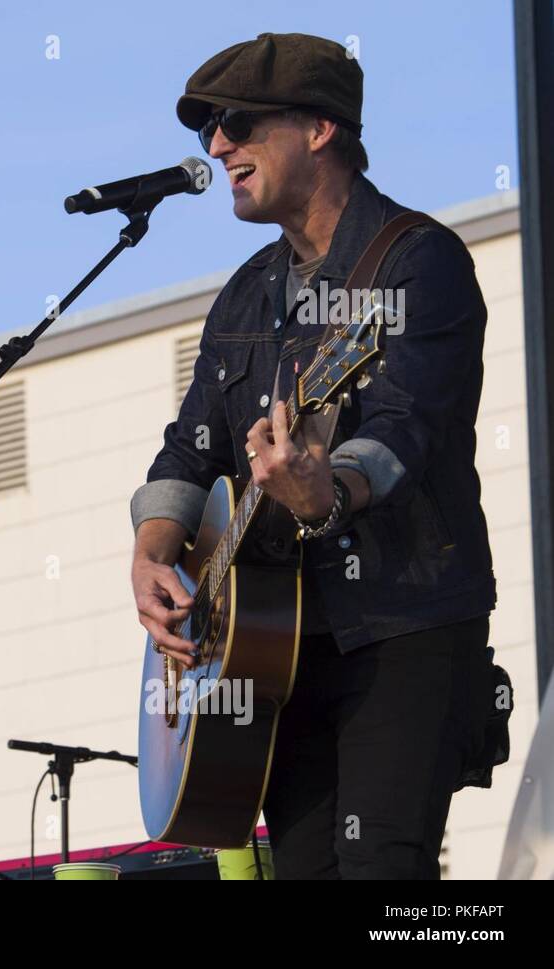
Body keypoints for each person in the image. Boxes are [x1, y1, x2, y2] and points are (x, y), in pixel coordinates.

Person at [129, 33, 498, 878]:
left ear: (321, 128)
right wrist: (153, 553)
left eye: (237, 123)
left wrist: (321, 491)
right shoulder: (246, 293)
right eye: (208, 130)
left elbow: (403, 431)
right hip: (279, 658)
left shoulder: (418, 262)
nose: (218, 146)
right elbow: (188, 449)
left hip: (403, 629)